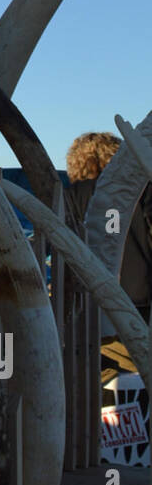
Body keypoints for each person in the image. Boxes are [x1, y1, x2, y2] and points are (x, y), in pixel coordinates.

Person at [65, 131, 151, 467]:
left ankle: (107, 456)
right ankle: (136, 456)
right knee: (138, 383)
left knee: (108, 387)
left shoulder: (75, 196)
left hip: (95, 311)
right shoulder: (141, 195)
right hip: (139, 302)